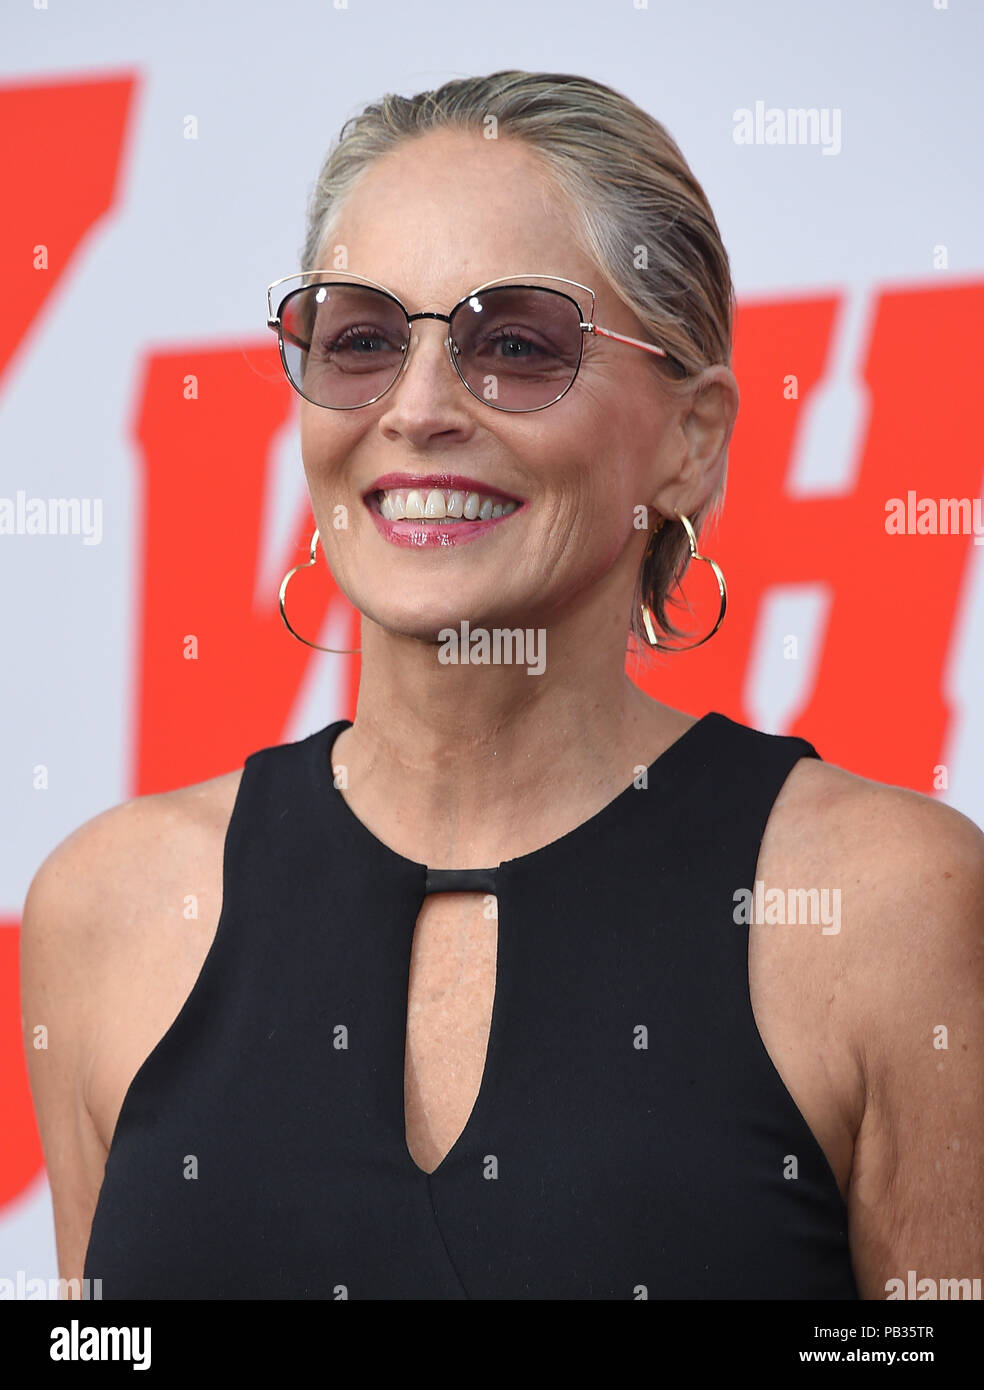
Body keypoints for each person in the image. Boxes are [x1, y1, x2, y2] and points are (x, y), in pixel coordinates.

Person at [21, 70, 983, 1301]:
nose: (418, 410)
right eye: (360, 338)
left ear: (692, 441)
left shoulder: (892, 908)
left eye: (518, 345)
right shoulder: (107, 913)